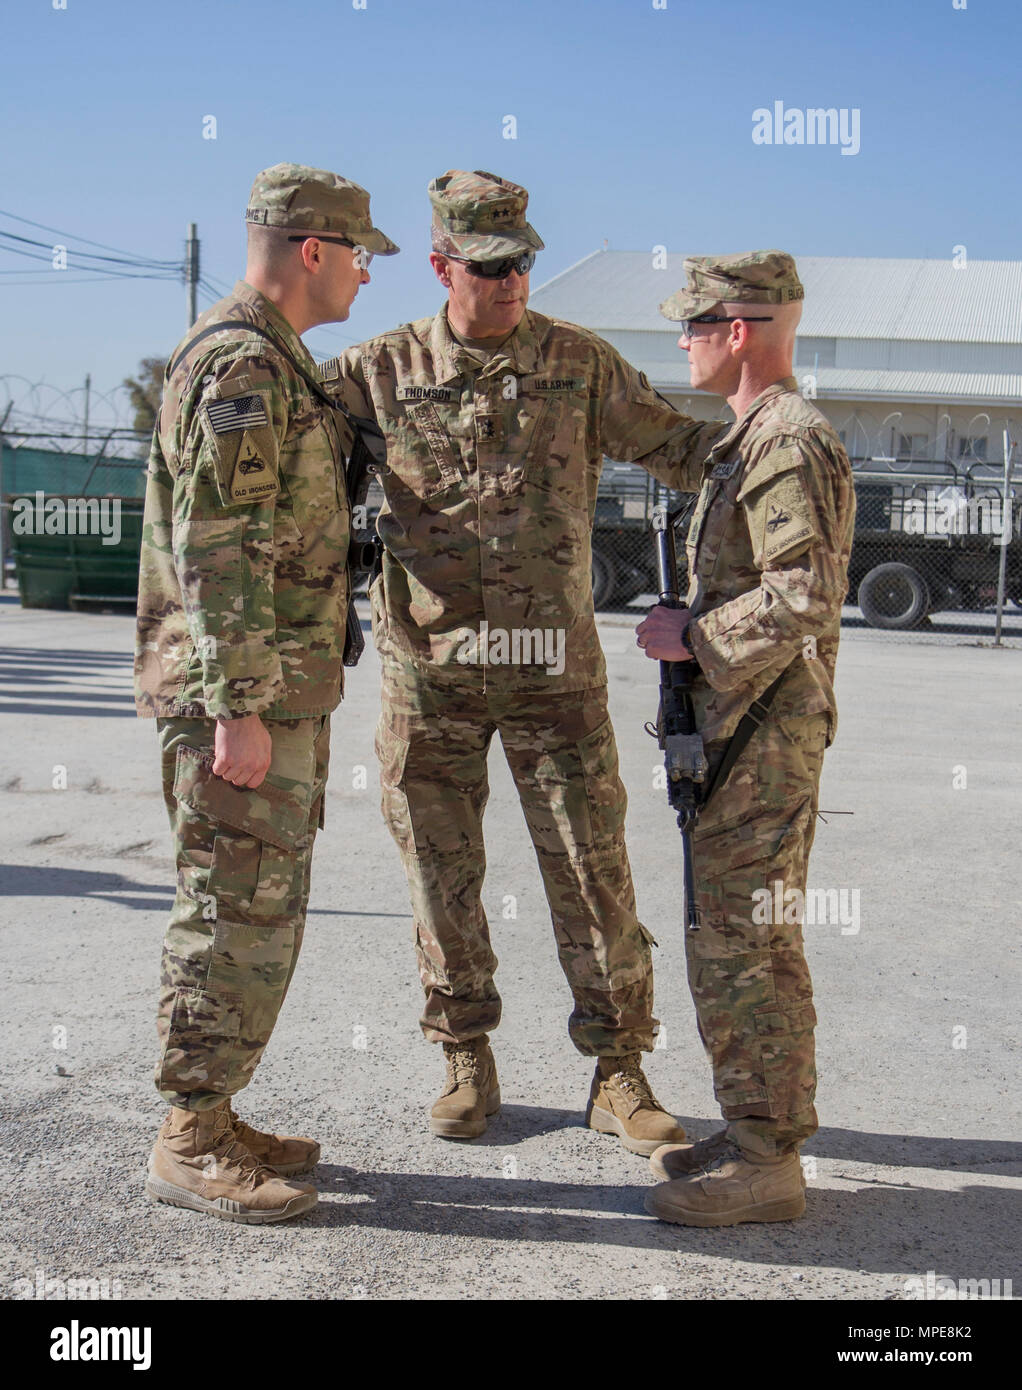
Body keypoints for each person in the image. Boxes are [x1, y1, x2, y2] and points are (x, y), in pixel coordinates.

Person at [321, 170, 723, 1151]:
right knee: (440, 873)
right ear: (439, 265)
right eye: (490, 268)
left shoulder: (580, 366)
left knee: (592, 869)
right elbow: (302, 503)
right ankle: (464, 1052)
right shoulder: (372, 374)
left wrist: (767, 419)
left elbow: (679, 449)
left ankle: (619, 1068)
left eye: (523, 265)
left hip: (554, 672)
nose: (510, 285)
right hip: (430, 673)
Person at [134, 163, 397, 1222]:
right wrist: (237, 704)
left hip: (276, 690)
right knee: (228, 912)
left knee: (259, 911)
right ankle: (189, 1134)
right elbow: (218, 543)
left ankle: (215, 1105)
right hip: (240, 700)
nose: (368, 277)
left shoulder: (277, 364)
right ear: (313, 250)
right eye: (362, 256)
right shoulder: (243, 365)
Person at [634, 251, 855, 1225]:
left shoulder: (786, 442)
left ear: (737, 331)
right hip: (735, 732)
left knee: (746, 944)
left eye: (692, 325)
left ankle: (768, 1162)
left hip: (761, 735)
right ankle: (756, 1126)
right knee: (727, 937)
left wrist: (693, 636)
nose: (681, 341)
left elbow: (802, 595)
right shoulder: (747, 439)